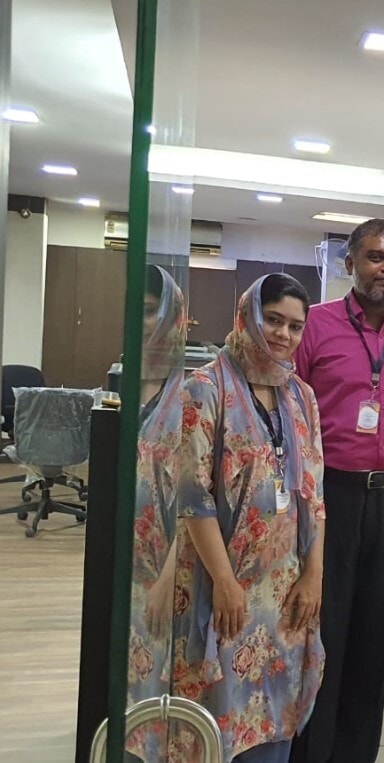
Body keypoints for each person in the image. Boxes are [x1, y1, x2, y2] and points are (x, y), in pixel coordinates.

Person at [290, 219, 384, 763]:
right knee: (320, 640)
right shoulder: (314, 325)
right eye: (376, 257)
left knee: (375, 646)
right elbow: (288, 421)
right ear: (350, 263)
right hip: (330, 499)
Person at [174, 273, 326, 763]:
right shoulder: (205, 389)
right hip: (224, 584)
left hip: (283, 589)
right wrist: (224, 580)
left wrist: (314, 574)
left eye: (295, 326)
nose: (284, 334)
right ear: (246, 317)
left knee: (275, 715)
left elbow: (315, 495)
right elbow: (192, 495)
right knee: (219, 719)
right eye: (273, 319)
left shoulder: (301, 397)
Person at [126, 264, 187, 761]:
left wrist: (171, 576)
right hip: (127, 560)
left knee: (163, 679)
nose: (142, 321)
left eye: (150, 310)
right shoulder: (125, 377)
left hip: (169, 565)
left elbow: (199, 498)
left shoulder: (190, 392)